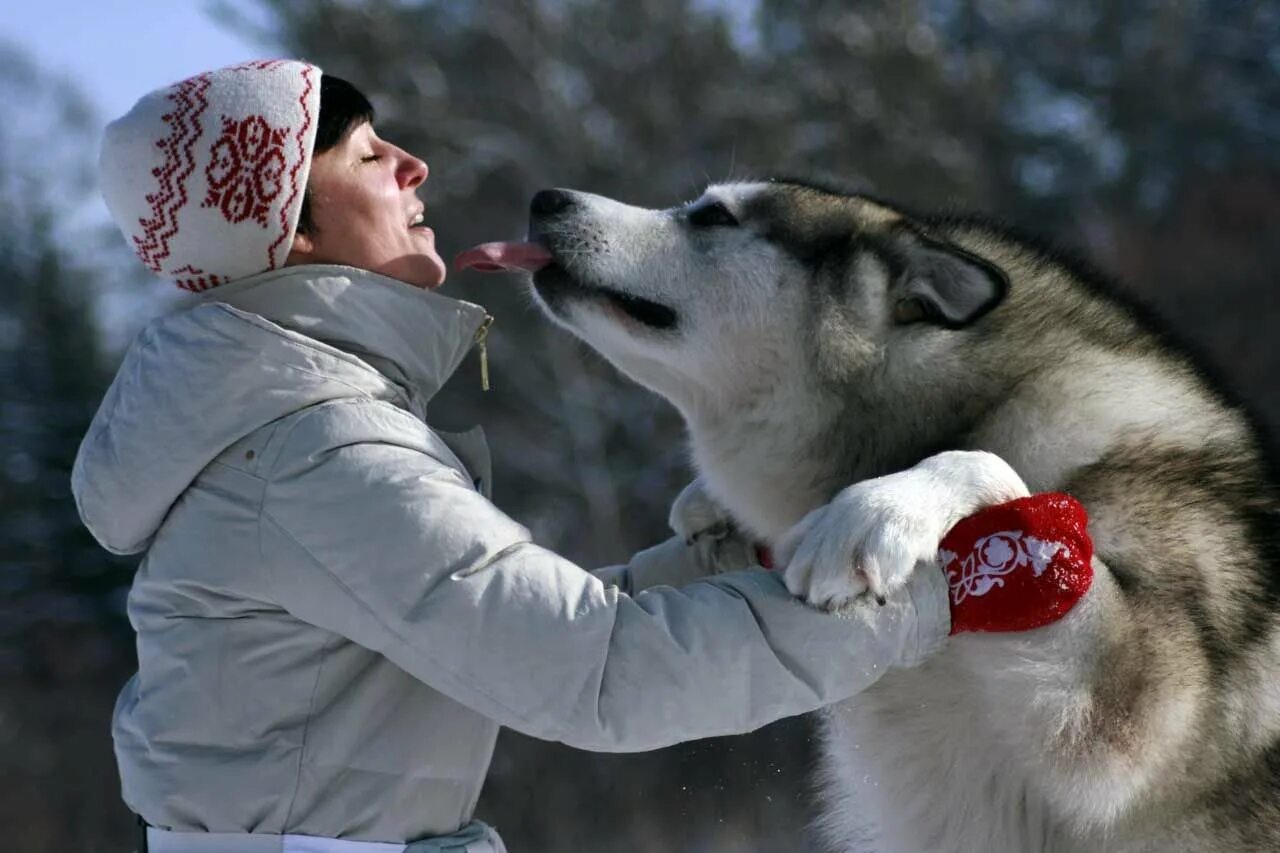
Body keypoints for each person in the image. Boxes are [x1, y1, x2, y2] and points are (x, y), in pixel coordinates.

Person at [76, 60, 1089, 853]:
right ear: (287, 230)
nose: (411, 166)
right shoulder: (311, 452)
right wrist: (933, 596)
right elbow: (596, 674)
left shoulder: (281, 429)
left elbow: (528, 630)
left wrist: (728, 560)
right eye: (364, 153)